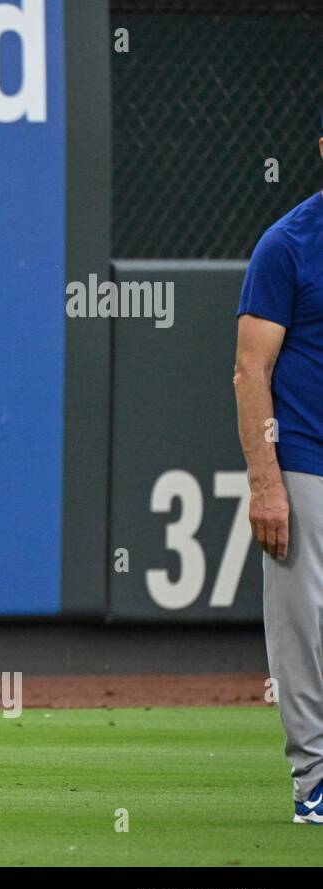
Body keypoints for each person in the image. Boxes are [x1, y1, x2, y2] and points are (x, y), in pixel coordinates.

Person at [233, 116, 323, 825]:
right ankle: (315, 783)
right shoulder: (289, 243)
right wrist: (267, 482)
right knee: (304, 630)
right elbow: (250, 368)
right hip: (306, 461)